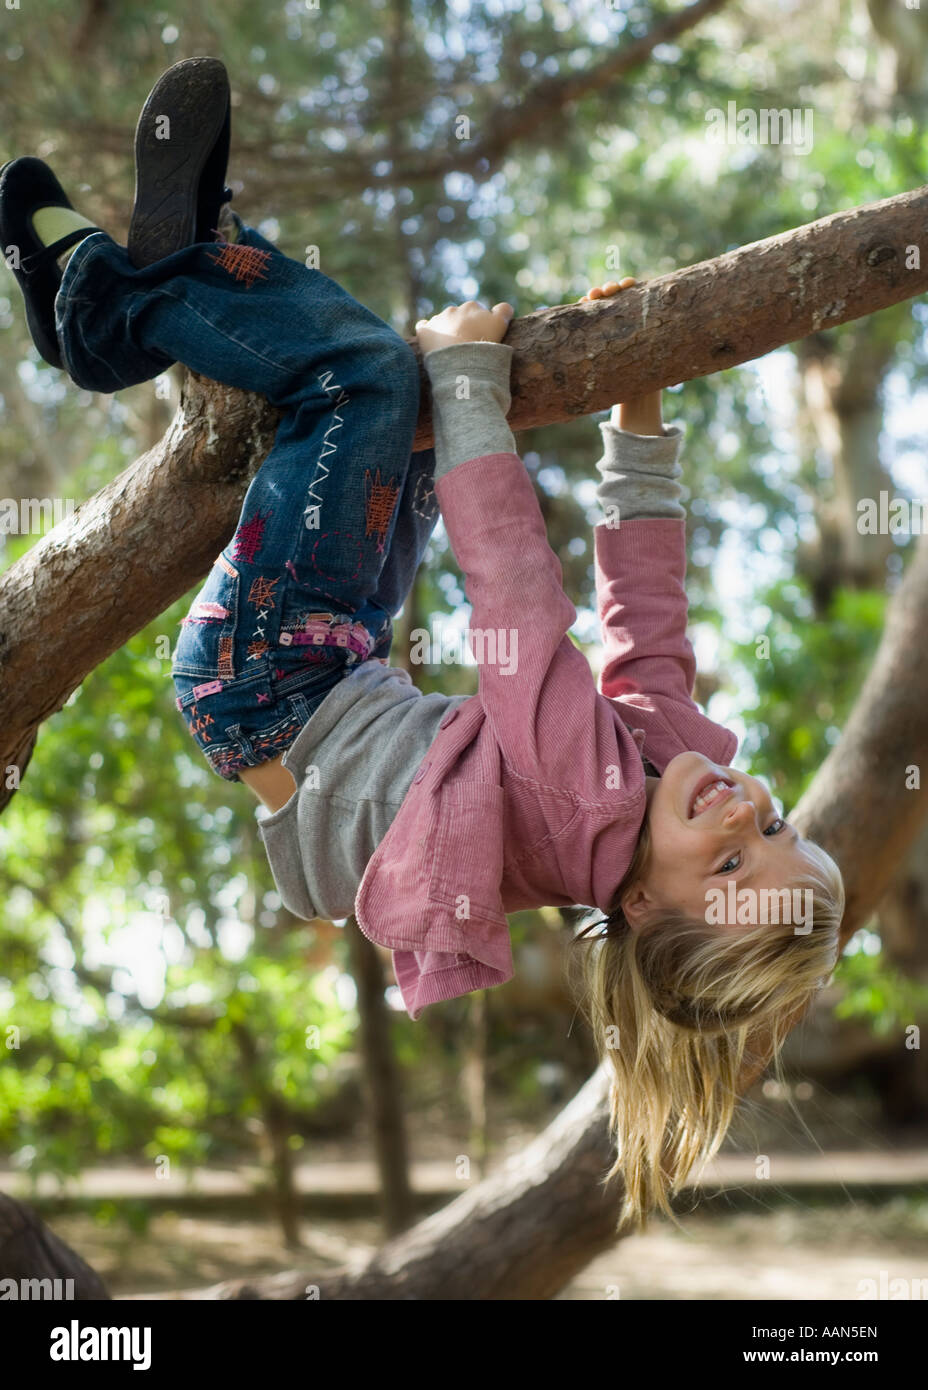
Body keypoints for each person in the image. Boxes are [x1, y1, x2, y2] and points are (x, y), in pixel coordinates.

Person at [1, 57, 844, 1231]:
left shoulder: (585, 800)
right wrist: (640, 408)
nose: (748, 814)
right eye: (779, 827)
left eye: (732, 870)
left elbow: (513, 602)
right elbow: (647, 615)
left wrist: (471, 381)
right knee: (384, 434)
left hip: (271, 676)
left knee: (372, 377)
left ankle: (98, 307)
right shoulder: (656, 772)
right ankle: (190, 258)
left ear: (645, 909)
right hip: (329, 669)